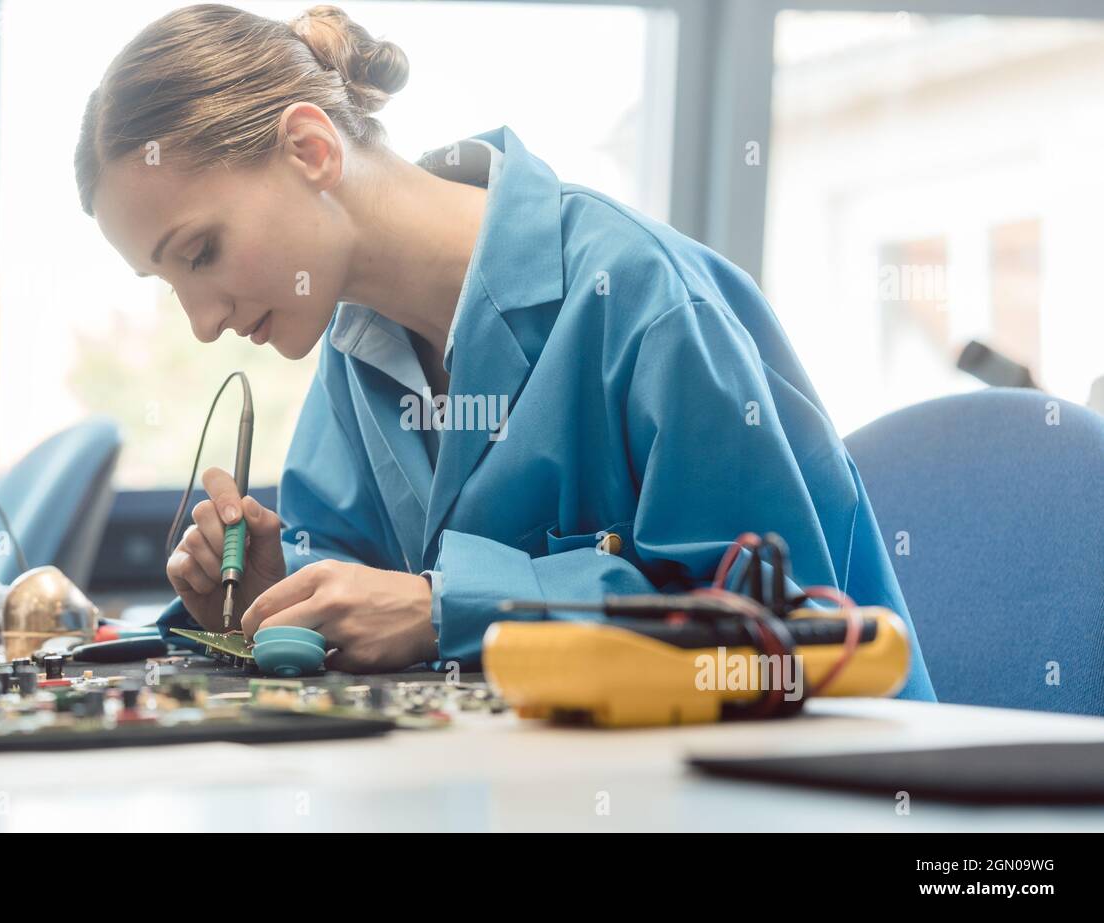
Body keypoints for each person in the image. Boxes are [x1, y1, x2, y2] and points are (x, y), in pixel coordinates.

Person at [76, 3, 935, 697]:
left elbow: (784, 638)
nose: (199, 319)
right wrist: (273, 590)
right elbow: (362, 582)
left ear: (310, 148)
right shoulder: (355, 348)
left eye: (199, 254)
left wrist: (453, 607)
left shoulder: (641, 298)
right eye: (169, 282)